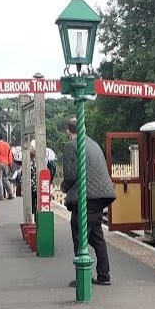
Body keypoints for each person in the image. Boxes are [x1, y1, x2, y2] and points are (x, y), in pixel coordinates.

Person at [61, 118, 116, 286]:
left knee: (79, 236)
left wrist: (64, 188)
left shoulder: (71, 146)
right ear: (84, 128)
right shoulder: (94, 144)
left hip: (85, 197)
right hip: (101, 197)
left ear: (68, 131)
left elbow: (71, 175)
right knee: (97, 236)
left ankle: (82, 278)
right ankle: (104, 275)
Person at [0, 132, 14, 200]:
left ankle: (1, 195)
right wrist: (10, 163)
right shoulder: (7, 145)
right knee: (5, 178)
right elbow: (10, 154)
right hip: (6, 163)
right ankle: (10, 193)